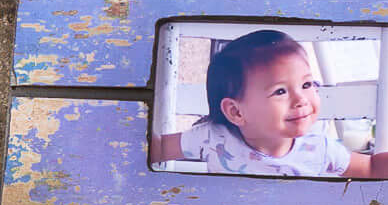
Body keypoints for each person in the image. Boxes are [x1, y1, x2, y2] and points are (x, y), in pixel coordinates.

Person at [152, 28, 355, 178]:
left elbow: (369, 168)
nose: (301, 100)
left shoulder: (321, 149)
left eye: (306, 84)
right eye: (280, 91)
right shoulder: (213, 138)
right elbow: (156, 148)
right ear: (236, 112)